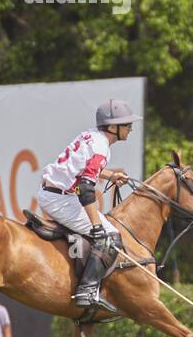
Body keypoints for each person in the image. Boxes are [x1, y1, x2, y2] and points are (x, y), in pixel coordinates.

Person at [37, 99, 140, 308]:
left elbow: (83, 169)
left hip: (53, 192)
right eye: (126, 124)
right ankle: (87, 290)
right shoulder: (102, 148)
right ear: (113, 127)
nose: (130, 128)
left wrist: (110, 176)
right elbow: (85, 189)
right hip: (61, 199)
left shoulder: (91, 135)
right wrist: (96, 226)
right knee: (110, 237)